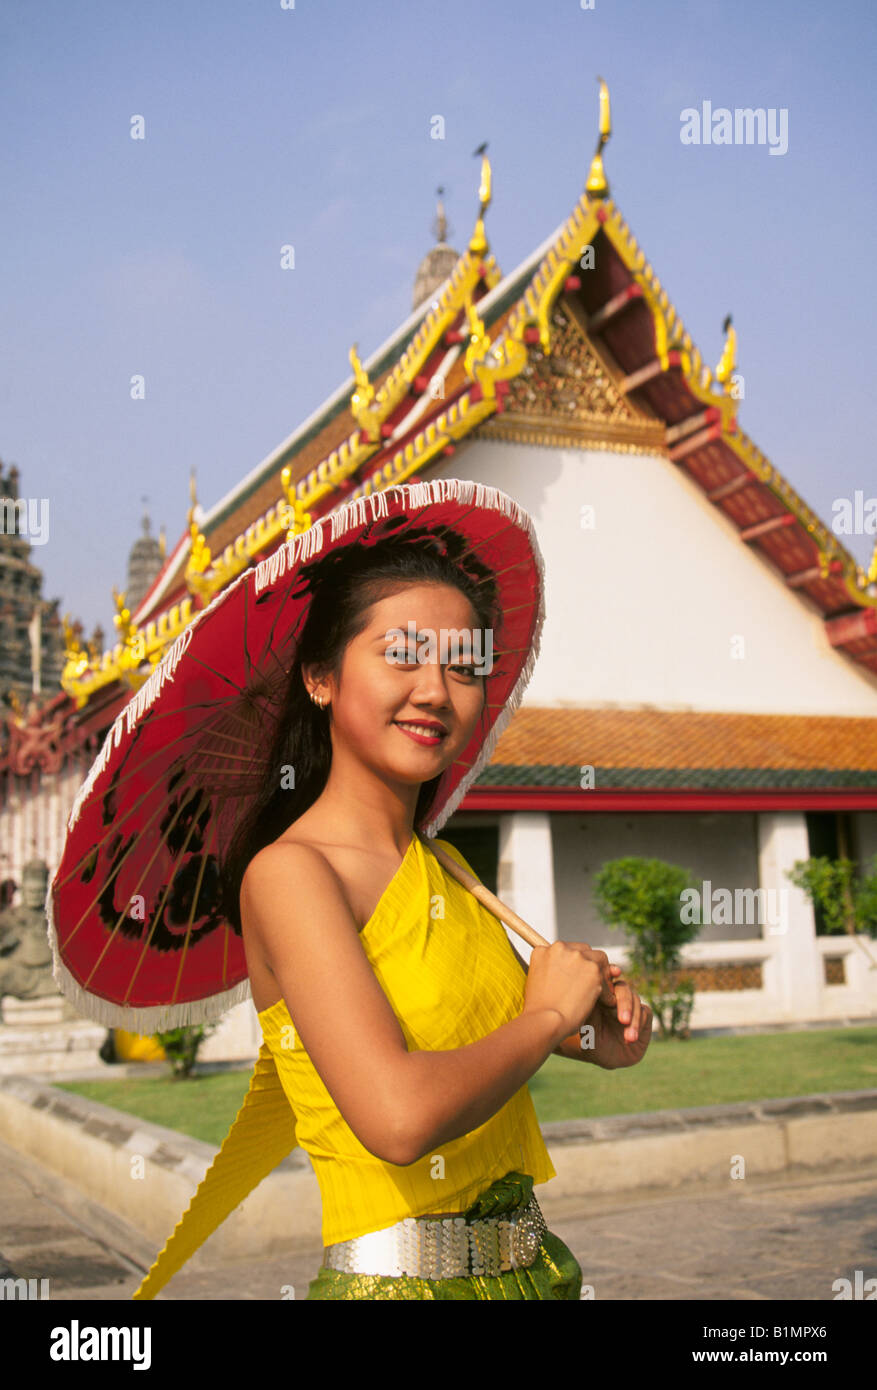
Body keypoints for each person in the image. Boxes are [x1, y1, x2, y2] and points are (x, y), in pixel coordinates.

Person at [131, 492, 651, 1300]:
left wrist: (590, 1031)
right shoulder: (292, 875)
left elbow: (486, 1038)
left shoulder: (447, 870)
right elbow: (398, 1117)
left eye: (463, 665)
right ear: (320, 678)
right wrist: (543, 1017)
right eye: (402, 656)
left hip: (536, 1274)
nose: (436, 691)